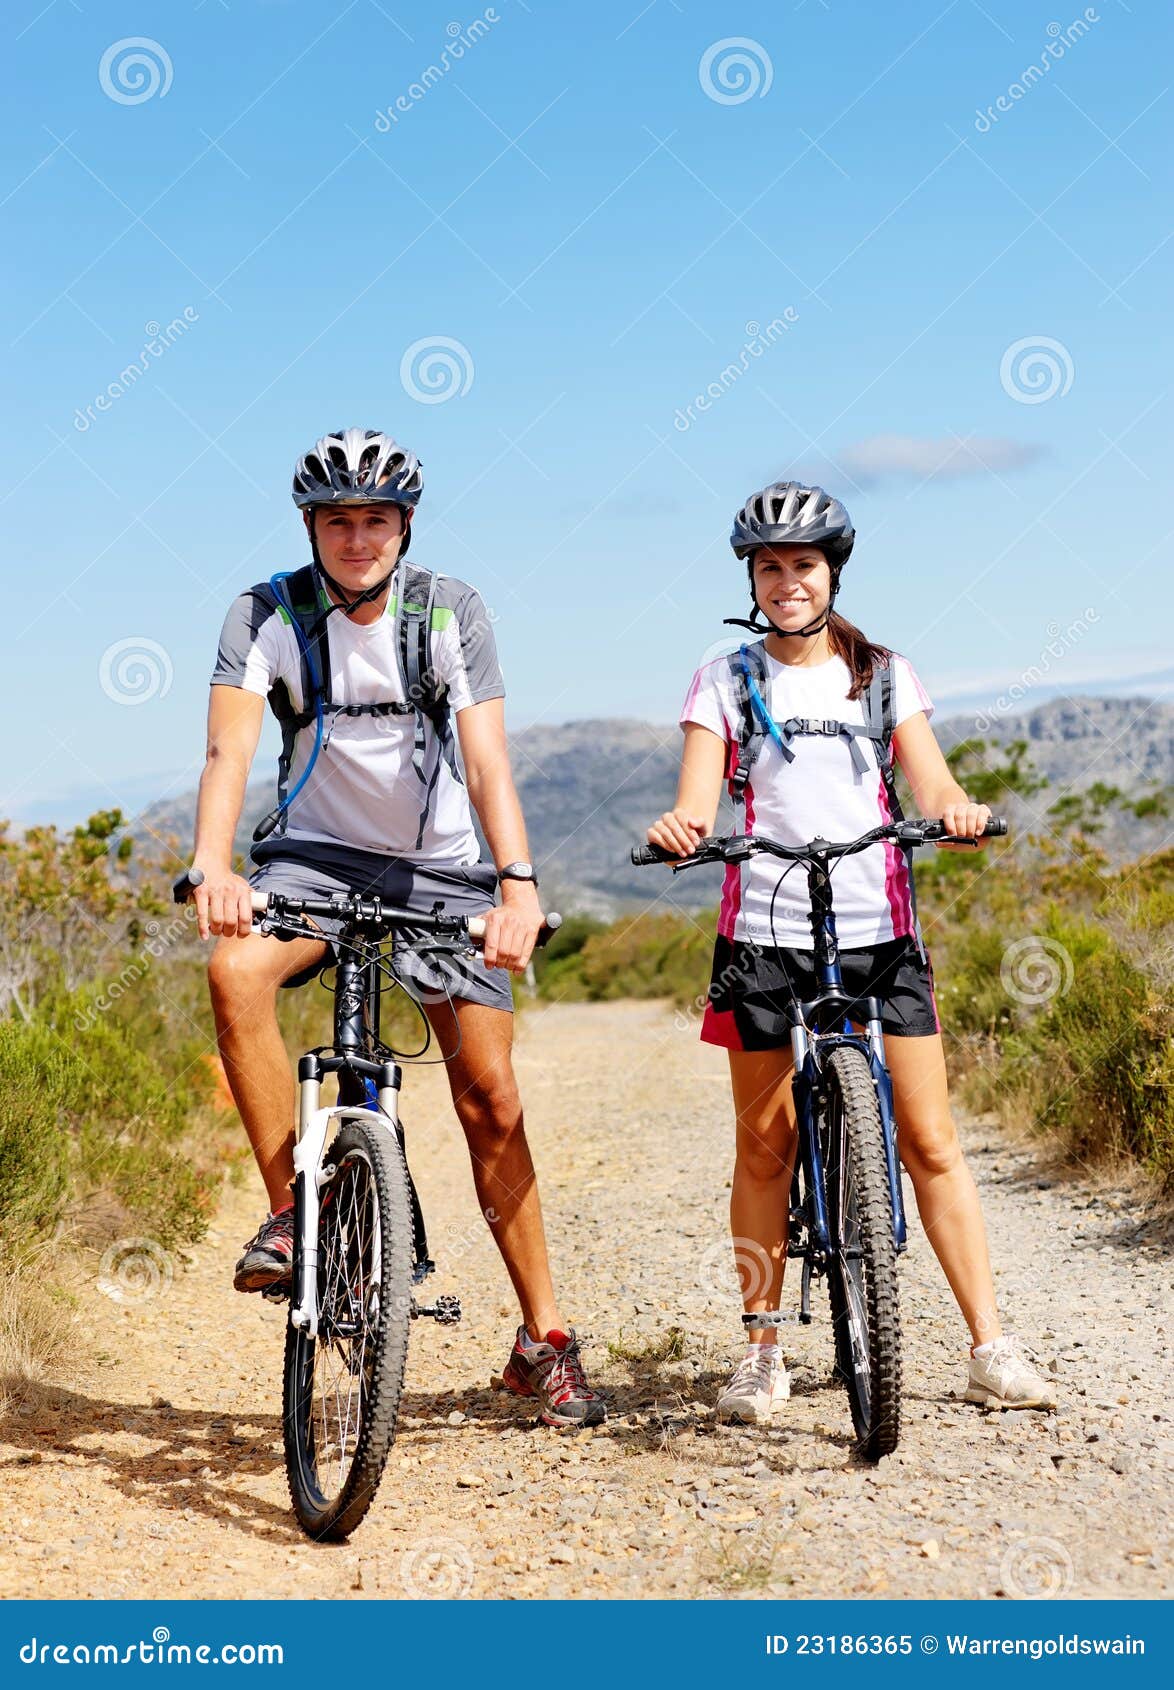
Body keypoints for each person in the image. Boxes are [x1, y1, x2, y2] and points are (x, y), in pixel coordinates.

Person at [190, 426, 604, 1429]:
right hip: (312, 859)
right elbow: (227, 749)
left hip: (443, 867)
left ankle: (543, 1337)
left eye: (375, 519)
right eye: (338, 520)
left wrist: (516, 886)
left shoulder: (448, 611)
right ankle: (297, 1214)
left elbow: (490, 761)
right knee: (235, 975)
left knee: (490, 1100)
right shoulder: (267, 614)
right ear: (311, 526)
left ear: (404, 526)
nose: (357, 537)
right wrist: (213, 862)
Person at [646, 480, 1056, 1425]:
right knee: (764, 1148)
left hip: (880, 932)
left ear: (833, 572)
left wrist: (955, 814)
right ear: (751, 578)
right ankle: (760, 1352)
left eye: (804, 565)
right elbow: (700, 798)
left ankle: (989, 1347)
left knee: (932, 1142)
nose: (787, 582)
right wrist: (682, 825)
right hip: (763, 939)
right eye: (770, 567)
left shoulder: (882, 672)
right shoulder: (724, 678)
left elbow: (934, 779)